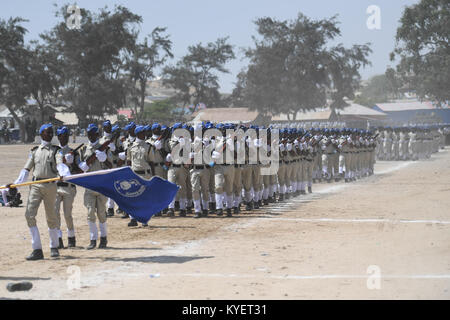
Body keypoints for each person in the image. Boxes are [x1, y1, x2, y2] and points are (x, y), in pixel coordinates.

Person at [11, 123, 63, 260]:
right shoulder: (34, 151)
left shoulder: (57, 150)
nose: (51, 135)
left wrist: (64, 172)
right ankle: (37, 249)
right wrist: (17, 183)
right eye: (48, 132)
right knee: (29, 215)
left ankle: (54, 247)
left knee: (51, 217)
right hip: (35, 185)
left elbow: (60, 164)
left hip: (51, 186)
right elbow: (26, 170)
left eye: (52, 132)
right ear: (41, 134)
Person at [78, 124, 113, 250]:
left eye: (93, 134)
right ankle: (93, 239)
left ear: (97, 134)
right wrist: (85, 165)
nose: (91, 136)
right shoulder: (84, 149)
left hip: (102, 184)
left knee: (102, 214)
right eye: (89, 134)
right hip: (89, 185)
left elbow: (111, 166)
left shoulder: (104, 148)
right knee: (89, 213)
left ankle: (103, 238)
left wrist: (104, 159)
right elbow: (81, 167)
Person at [54, 126, 79, 249]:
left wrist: (72, 163)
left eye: (65, 136)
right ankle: (58, 239)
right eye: (61, 136)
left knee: (67, 214)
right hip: (55, 187)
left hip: (69, 187)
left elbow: (79, 170)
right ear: (58, 137)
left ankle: (71, 237)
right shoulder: (53, 151)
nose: (63, 138)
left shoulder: (74, 152)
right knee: (55, 213)